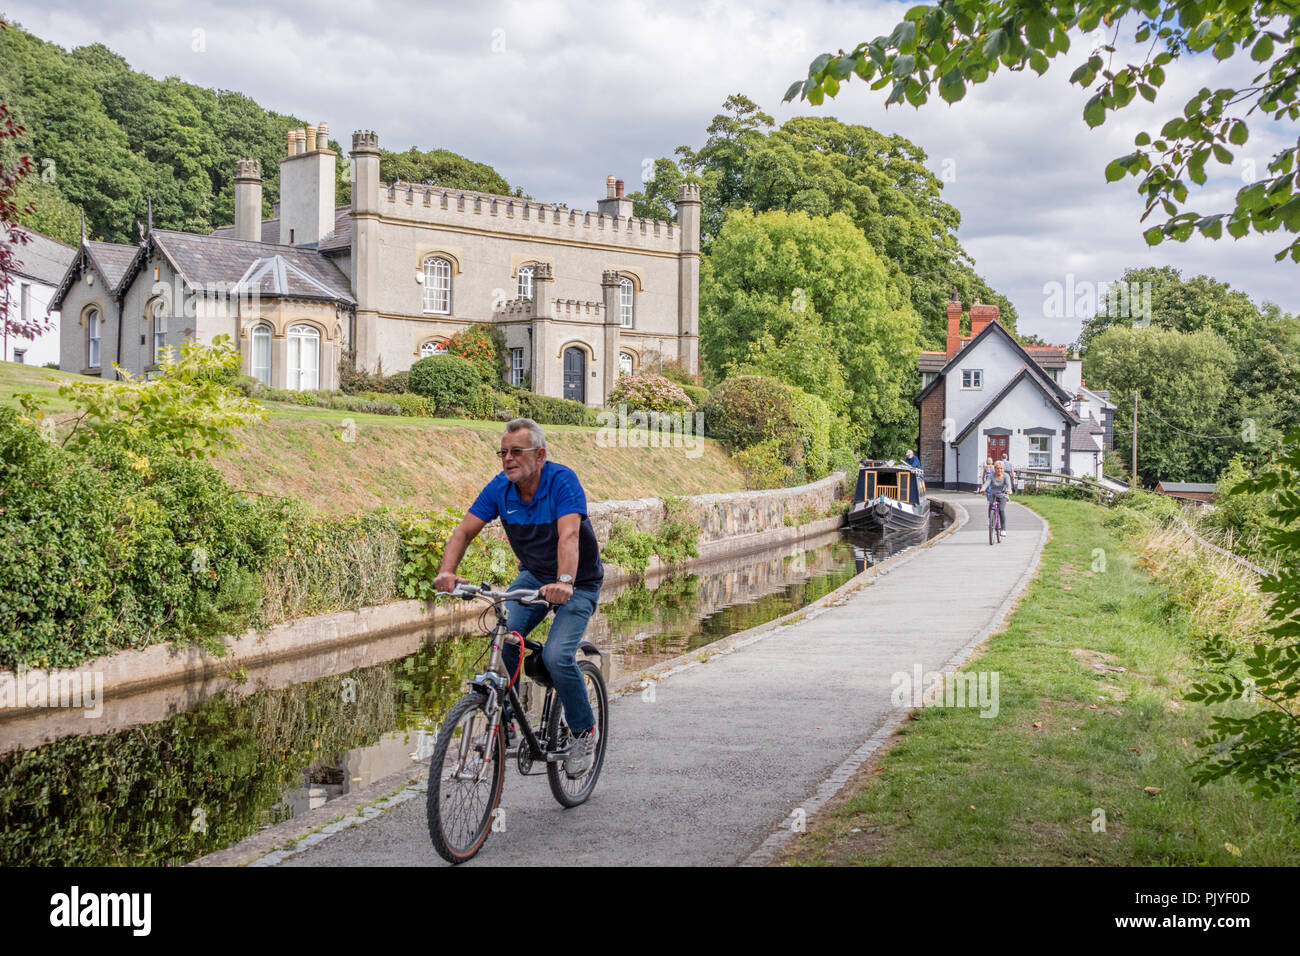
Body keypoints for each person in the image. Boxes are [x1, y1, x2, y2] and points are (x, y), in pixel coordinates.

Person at [434, 418, 603, 777]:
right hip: (534, 576)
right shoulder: (500, 488)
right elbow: (464, 531)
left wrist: (566, 581)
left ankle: (583, 731)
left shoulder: (562, 481)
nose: (508, 459)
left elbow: (569, 536)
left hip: (578, 581)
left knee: (558, 656)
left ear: (540, 455)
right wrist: (447, 572)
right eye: (503, 452)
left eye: (516, 452)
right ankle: (505, 723)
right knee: (506, 634)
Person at [978, 459, 1013, 536]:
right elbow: (987, 482)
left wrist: (1009, 490)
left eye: (1001, 468)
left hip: (1002, 494)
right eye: (997, 468)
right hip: (993, 494)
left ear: (1003, 469)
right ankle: (990, 518)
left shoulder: (1006, 476)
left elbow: (1008, 485)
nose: (999, 470)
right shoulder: (991, 475)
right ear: (995, 469)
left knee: (1001, 509)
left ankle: (1003, 529)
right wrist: (983, 488)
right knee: (991, 505)